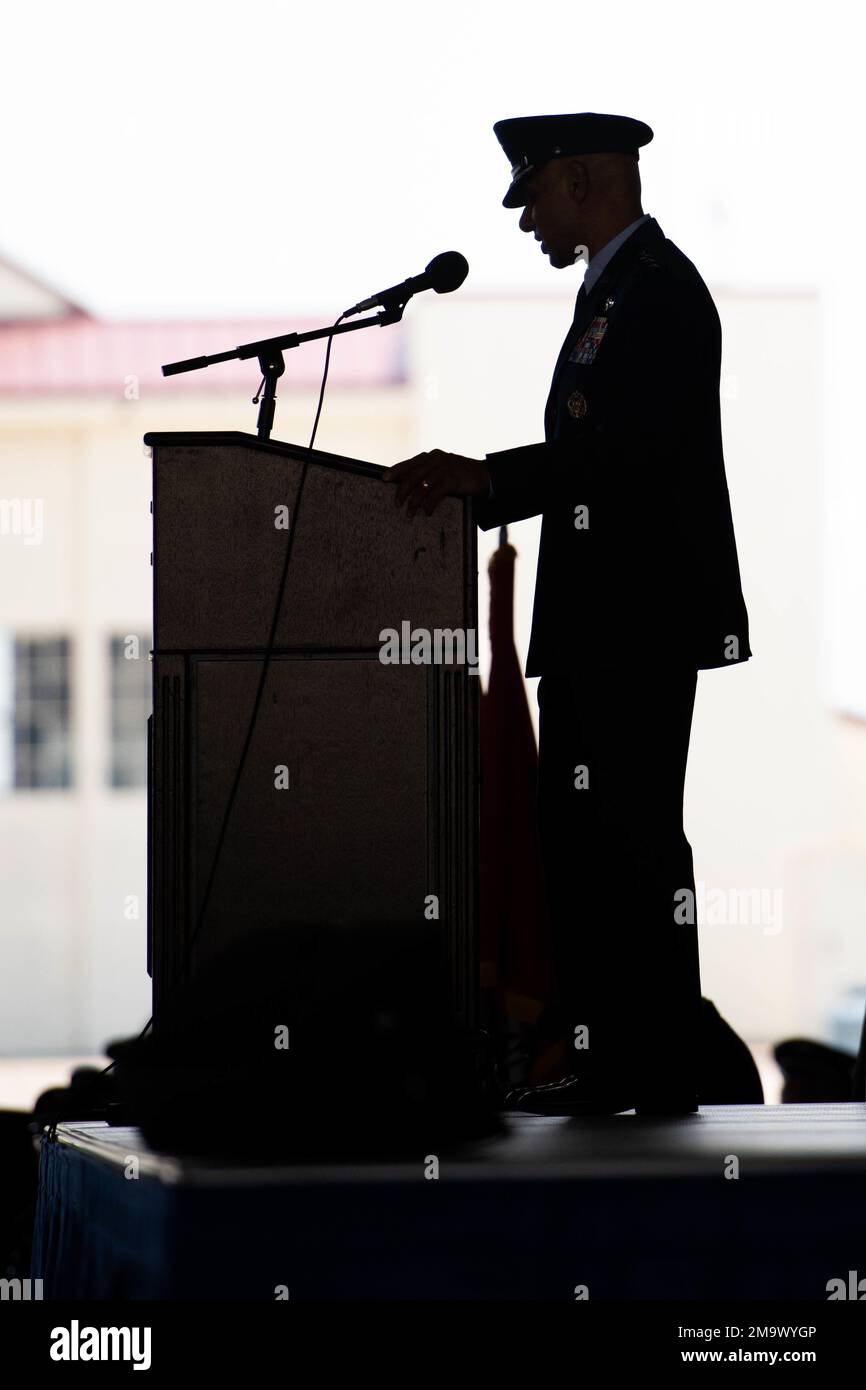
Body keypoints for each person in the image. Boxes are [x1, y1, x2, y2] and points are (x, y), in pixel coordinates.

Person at [385, 111, 751, 1115]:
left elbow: (621, 456)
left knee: (628, 841)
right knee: (584, 842)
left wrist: (482, 480)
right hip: (603, 622)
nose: (526, 220)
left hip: (637, 621)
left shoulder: (658, 294)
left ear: (587, 179)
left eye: (535, 195)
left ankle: (648, 1058)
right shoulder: (614, 292)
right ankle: (605, 1056)